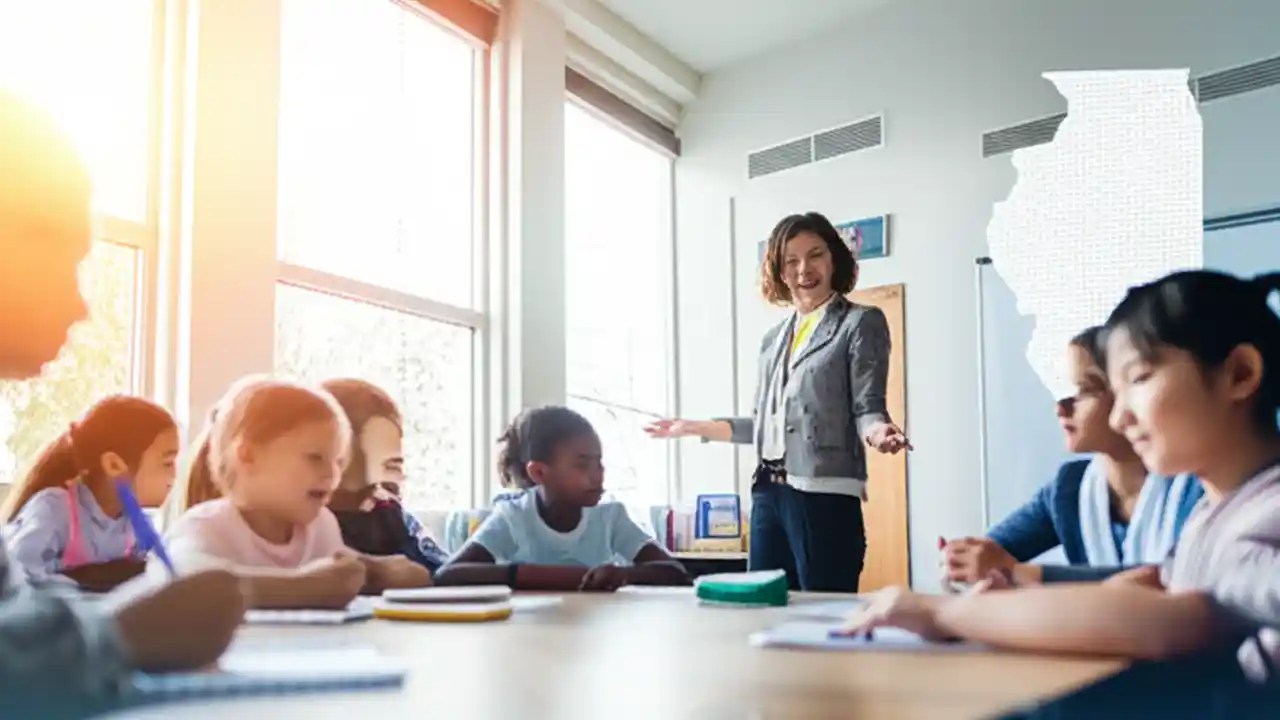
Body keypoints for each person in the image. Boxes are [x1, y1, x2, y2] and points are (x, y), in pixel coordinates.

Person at [845, 270, 1280, 679]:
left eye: (1140, 378)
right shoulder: (1215, 513)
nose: (1120, 418)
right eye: (1115, 392)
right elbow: (1149, 586)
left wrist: (944, 613)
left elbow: (1170, 621)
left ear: (1240, 374)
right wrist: (1014, 600)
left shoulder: (1267, 517)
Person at [0, 89, 243, 712]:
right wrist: (125, 633)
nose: (80, 305)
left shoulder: (137, 523)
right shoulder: (56, 511)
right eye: (65, 262)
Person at [646, 211, 908, 592]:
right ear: (779, 272)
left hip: (823, 492)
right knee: (764, 604)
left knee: (823, 610)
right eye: (791, 261)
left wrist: (879, 431)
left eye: (815, 255)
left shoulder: (859, 322)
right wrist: (693, 427)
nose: (804, 269)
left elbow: (867, 407)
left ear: (834, 259)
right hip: (768, 491)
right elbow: (766, 426)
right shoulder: (773, 339)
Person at [943, 327, 1202, 587]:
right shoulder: (1070, 488)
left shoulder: (1200, 484)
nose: (1062, 407)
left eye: (1084, 389)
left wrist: (1024, 574)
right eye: (1063, 390)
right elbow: (991, 552)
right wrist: (962, 560)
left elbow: (1174, 577)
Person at [160, 377, 431, 607]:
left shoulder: (320, 526)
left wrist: (375, 573)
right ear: (249, 456)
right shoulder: (206, 527)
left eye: (338, 462)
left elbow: (406, 574)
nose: (332, 474)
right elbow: (189, 584)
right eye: (315, 458)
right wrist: (303, 586)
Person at [436, 406, 691, 590]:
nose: (598, 475)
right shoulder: (513, 517)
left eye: (598, 463)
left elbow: (675, 573)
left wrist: (623, 575)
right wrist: (551, 576)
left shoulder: (610, 518)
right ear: (539, 472)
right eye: (582, 465)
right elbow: (448, 574)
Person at [1, 395, 179, 591]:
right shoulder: (54, 511)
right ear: (113, 465)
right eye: (167, 463)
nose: (175, 475)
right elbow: (15, 581)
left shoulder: (138, 528)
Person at [322, 378, 448, 572]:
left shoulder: (389, 514)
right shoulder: (309, 526)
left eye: (395, 466)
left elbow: (435, 572)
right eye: (390, 467)